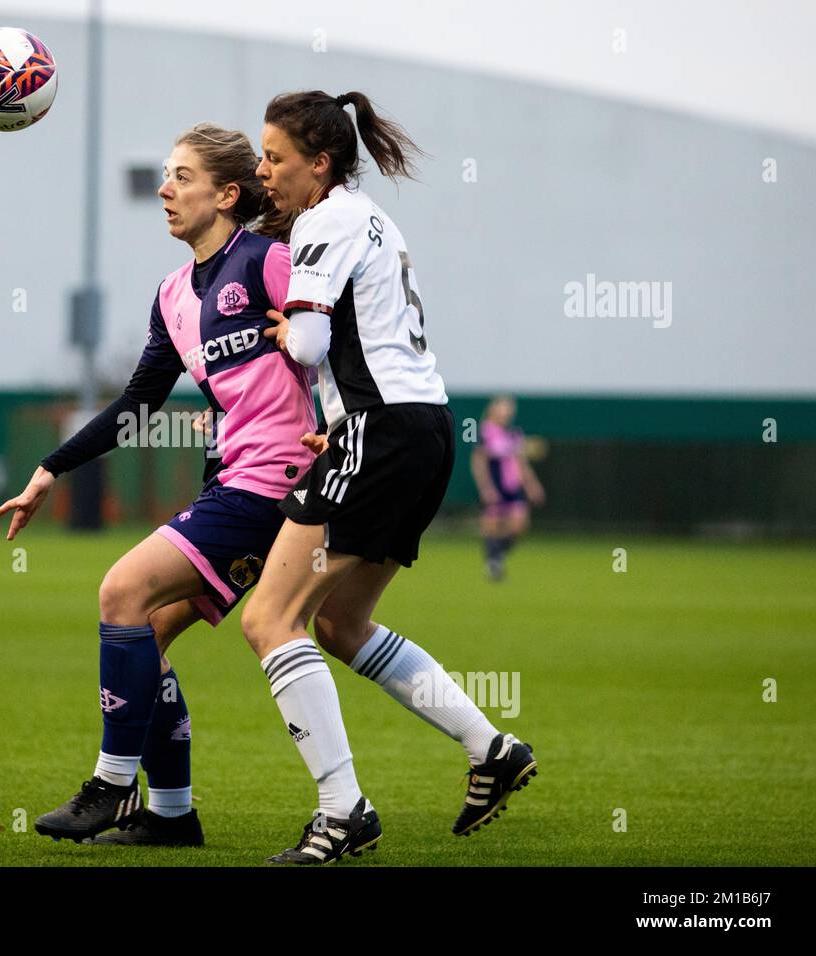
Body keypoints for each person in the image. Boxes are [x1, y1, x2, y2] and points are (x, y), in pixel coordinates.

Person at [0, 122, 317, 848]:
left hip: (275, 486)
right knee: (148, 641)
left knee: (120, 593)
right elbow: (136, 404)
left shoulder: (269, 261)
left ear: (228, 194)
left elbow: (336, 341)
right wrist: (51, 469)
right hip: (230, 482)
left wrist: (351, 432)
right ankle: (172, 816)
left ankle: (111, 786)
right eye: (165, 176)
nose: (164, 190)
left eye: (182, 177)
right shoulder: (173, 294)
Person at [249, 90, 538, 864]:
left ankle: (343, 811)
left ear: (320, 163)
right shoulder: (372, 217)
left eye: (274, 157)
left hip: (383, 436)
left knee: (268, 621)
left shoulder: (328, 219)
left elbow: (309, 342)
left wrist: (282, 328)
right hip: (420, 429)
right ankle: (492, 748)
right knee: (340, 626)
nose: (262, 169)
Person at [471, 395, 545, 580]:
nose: (507, 413)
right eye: (503, 409)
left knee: (519, 525)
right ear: (494, 410)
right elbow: (478, 461)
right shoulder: (486, 431)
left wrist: (532, 486)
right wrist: (486, 488)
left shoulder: (514, 433)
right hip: (495, 486)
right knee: (492, 525)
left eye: (509, 410)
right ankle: (493, 563)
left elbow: (521, 463)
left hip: (513, 486)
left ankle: (497, 556)